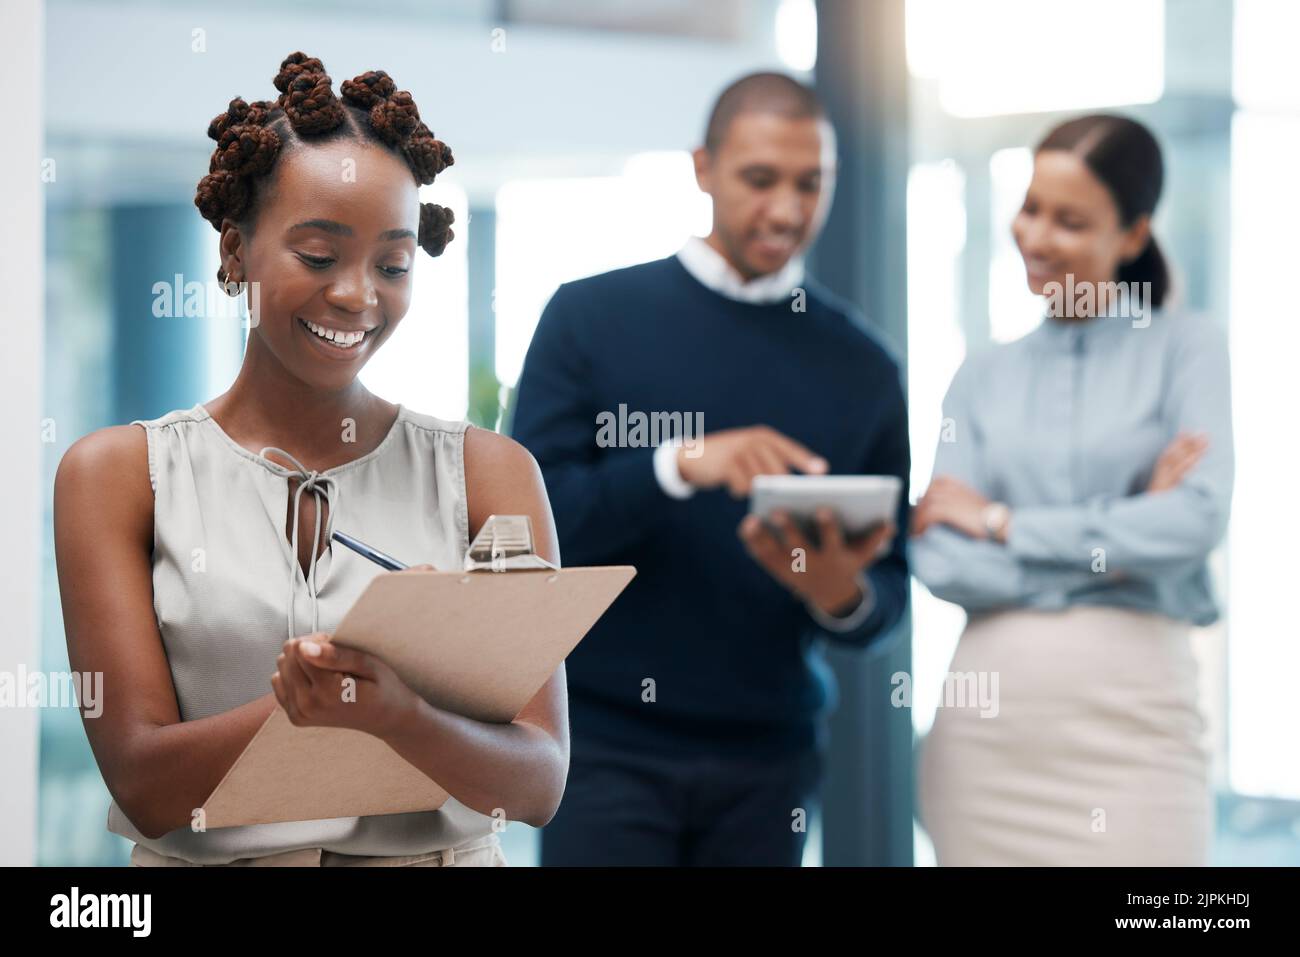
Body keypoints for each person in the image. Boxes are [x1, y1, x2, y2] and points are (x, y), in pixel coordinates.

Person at [53, 52, 566, 867]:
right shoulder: (116, 474)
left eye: (392, 265)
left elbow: (537, 783)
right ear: (234, 252)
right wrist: (335, 694)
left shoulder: (490, 472)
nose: (358, 295)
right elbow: (143, 782)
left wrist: (402, 709)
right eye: (320, 257)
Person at [510, 72, 910, 866]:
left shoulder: (865, 366)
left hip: (771, 760)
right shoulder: (589, 318)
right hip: (604, 748)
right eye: (761, 179)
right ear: (704, 167)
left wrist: (839, 591)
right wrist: (677, 465)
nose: (788, 211)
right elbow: (531, 533)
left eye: (811, 183)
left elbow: (888, 591)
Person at [911, 114, 1233, 866]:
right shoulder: (981, 372)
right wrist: (1120, 543)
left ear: (1132, 233)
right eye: (1030, 209)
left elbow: (1194, 522)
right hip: (985, 740)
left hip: (1138, 731)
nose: (1036, 236)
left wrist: (999, 521)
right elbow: (941, 561)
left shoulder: (1188, 347)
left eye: (1071, 219)